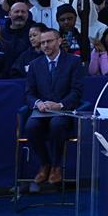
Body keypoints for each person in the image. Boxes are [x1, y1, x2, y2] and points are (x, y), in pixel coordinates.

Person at [22, 22, 83, 190]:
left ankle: (57, 166)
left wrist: (60, 105)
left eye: (49, 41)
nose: (45, 45)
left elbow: (77, 92)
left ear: (59, 41)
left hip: (63, 111)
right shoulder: (35, 65)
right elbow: (28, 93)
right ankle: (45, 164)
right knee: (31, 126)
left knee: (57, 125)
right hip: (41, 111)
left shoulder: (73, 62)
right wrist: (38, 103)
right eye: (42, 43)